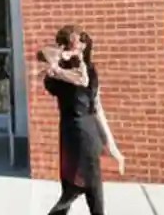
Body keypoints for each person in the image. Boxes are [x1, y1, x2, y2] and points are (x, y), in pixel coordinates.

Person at [41, 27, 125, 215]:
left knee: (89, 190)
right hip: (71, 133)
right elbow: (47, 62)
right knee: (74, 188)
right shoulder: (58, 74)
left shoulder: (91, 71)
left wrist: (112, 147)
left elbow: (98, 109)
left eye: (82, 43)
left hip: (88, 134)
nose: (80, 48)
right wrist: (59, 60)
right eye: (75, 43)